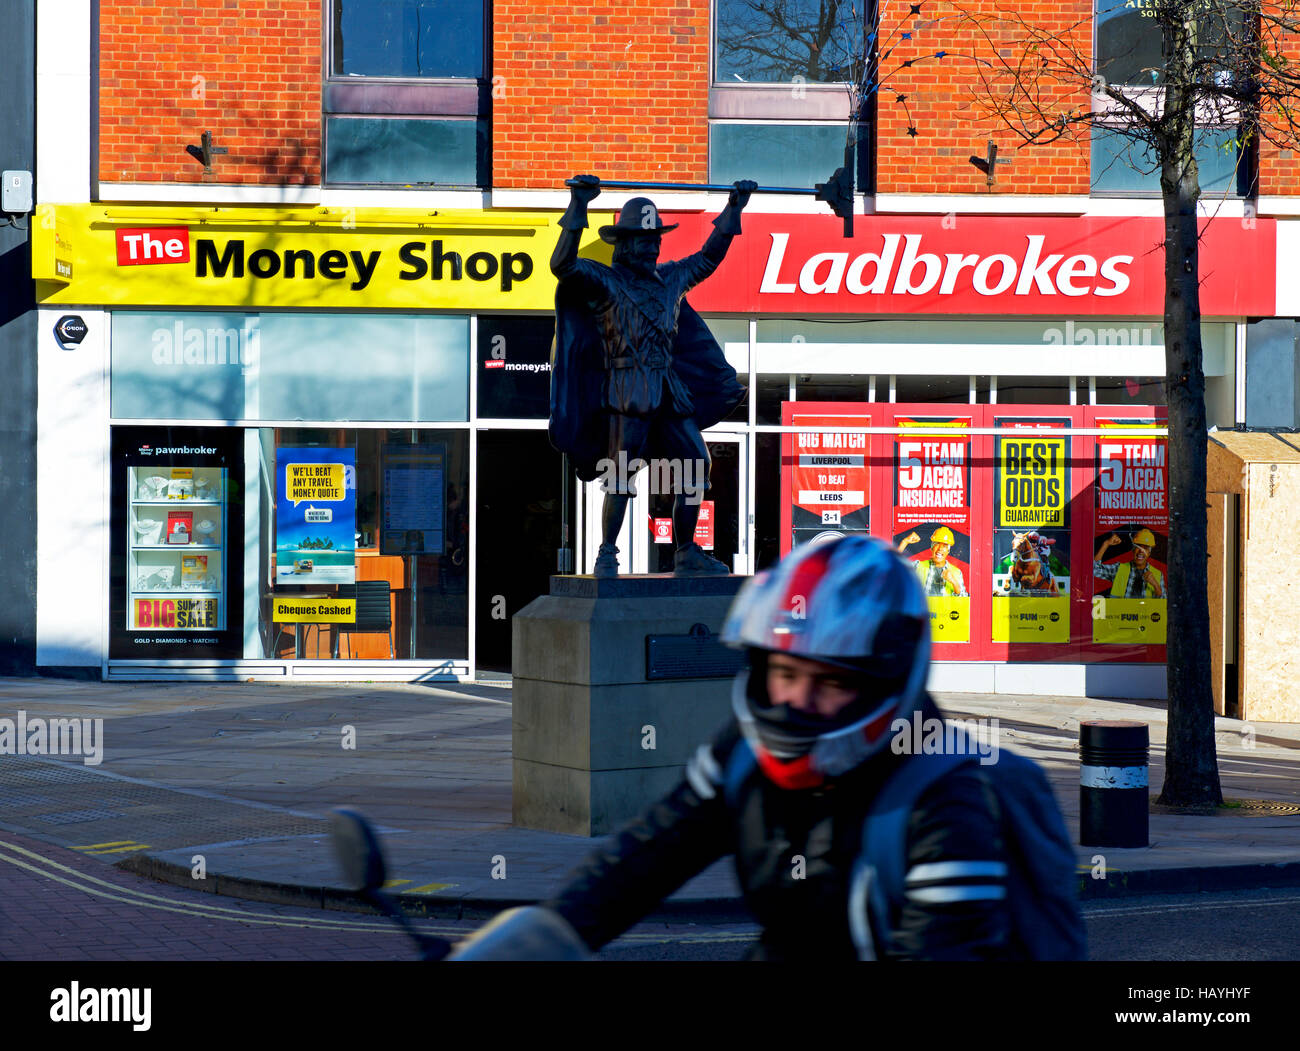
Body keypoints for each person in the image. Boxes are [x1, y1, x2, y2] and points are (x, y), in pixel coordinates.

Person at [457, 536, 1018, 961]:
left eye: (833, 681)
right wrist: (527, 942)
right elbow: (640, 860)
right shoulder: (745, 755)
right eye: (784, 672)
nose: (796, 702)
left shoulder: (946, 807)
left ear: (887, 681)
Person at [549, 174, 755, 576]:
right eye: (645, 241)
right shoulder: (605, 281)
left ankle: (685, 552)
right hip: (628, 392)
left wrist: (734, 209)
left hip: (668, 391)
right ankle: (607, 552)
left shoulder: (671, 279)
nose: (652, 247)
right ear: (625, 243)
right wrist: (579, 206)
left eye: (656, 240)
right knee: (622, 475)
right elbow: (563, 265)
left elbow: (708, 258)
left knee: (697, 463)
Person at [898, 526, 967, 596]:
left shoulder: (956, 572)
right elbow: (896, 567)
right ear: (932, 547)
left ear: (948, 551)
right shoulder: (918, 566)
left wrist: (955, 583)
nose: (940, 549)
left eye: (945, 546)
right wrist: (904, 542)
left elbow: (964, 601)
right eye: (937, 544)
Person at [1094, 528, 1164, 598]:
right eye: (1138, 546)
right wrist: (1106, 544)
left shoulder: (1158, 574)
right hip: (1120, 609)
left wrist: (1156, 586)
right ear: (1133, 549)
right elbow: (1094, 570)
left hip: (1144, 609)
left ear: (1149, 553)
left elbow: (1164, 605)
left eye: (1145, 548)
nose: (1141, 551)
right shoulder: (1118, 569)